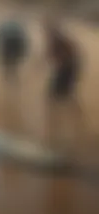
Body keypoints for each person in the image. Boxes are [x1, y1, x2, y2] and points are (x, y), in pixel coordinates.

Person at [41, 17, 84, 152]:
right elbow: (49, 55)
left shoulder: (57, 39)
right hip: (70, 68)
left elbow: (60, 56)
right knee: (66, 96)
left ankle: (53, 130)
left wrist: (56, 64)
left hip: (67, 69)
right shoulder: (58, 38)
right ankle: (78, 122)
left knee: (51, 97)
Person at [0, 18, 29, 83]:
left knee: (7, 66)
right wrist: (22, 55)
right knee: (13, 67)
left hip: (7, 52)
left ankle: (7, 78)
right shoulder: (18, 30)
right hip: (13, 51)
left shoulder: (4, 30)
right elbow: (22, 44)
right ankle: (13, 78)